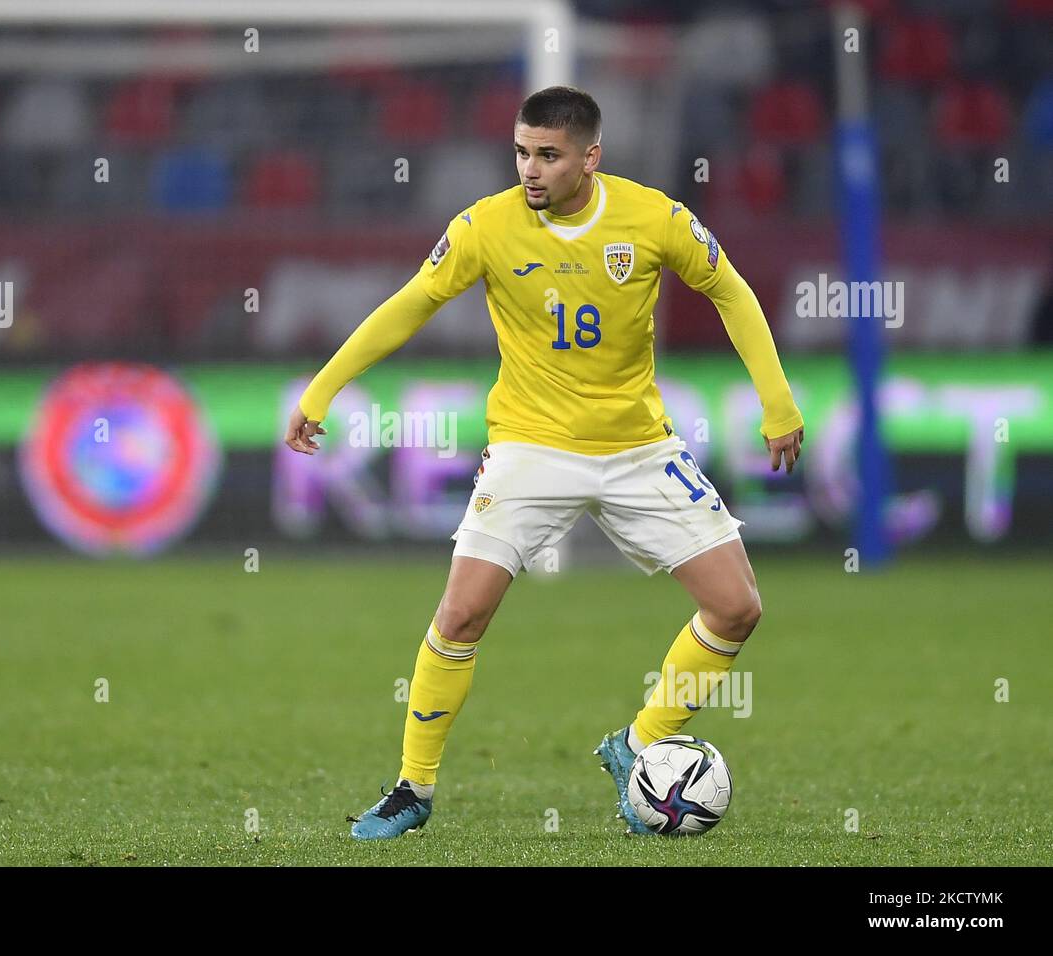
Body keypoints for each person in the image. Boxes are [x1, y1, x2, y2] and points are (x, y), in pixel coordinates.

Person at [284, 86, 804, 839]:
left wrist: (777, 401)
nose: (531, 169)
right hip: (530, 446)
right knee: (461, 613)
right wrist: (323, 387)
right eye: (523, 152)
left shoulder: (652, 218)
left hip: (637, 447)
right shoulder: (485, 226)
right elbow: (411, 302)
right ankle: (413, 788)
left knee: (738, 606)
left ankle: (639, 743)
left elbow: (730, 289)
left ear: (589, 158)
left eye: (549, 156)